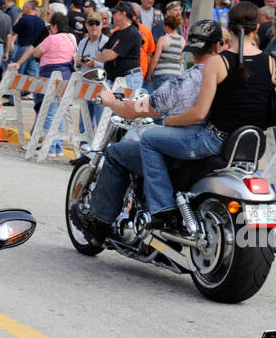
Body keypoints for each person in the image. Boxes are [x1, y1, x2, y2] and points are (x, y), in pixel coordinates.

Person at [133, 1, 276, 228]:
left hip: (215, 141)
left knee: (149, 138)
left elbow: (199, 113)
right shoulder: (270, 63)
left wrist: (169, 120)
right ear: (257, 28)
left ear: (229, 27)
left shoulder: (218, 62)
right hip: (251, 147)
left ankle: (162, 209)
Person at [84, 19, 224, 239]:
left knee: (115, 153)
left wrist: (111, 101)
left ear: (190, 49)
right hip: (218, 148)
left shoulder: (185, 81)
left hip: (185, 149)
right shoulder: (232, 78)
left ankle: (100, 224)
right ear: (218, 47)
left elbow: (136, 110)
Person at [8, 12, 77, 155]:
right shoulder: (71, 37)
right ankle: (58, 147)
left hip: (50, 76)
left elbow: (36, 53)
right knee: (60, 112)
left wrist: (20, 62)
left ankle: (49, 148)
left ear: (55, 26)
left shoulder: (51, 38)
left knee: (49, 112)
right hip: (67, 77)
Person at [99, 0, 143, 92]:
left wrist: (108, 53)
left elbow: (110, 55)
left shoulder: (132, 32)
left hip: (128, 78)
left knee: (123, 105)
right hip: (115, 79)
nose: (112, 15)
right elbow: (99, 55)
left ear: (123, 14)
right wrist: (107, 54)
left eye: (115, 13)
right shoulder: (117, 33)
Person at [7, 0, 47, 80]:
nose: (22, 9)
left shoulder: (24, 19)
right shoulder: (41, 21)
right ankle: (28, 92)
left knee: (18, 71)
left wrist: (19, 18)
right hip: (36, 49)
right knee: (32, 73)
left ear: (28, 8)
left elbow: (13, 31)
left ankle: (16, 90)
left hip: (24, 48)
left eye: (24, 7)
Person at [147, 11, 185, 87]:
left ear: (166, 26)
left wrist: (149, 73)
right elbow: (180, 60)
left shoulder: (163, 39)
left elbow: (155, 59)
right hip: (176, 74)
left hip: (162, 74)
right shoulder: (182, 40)